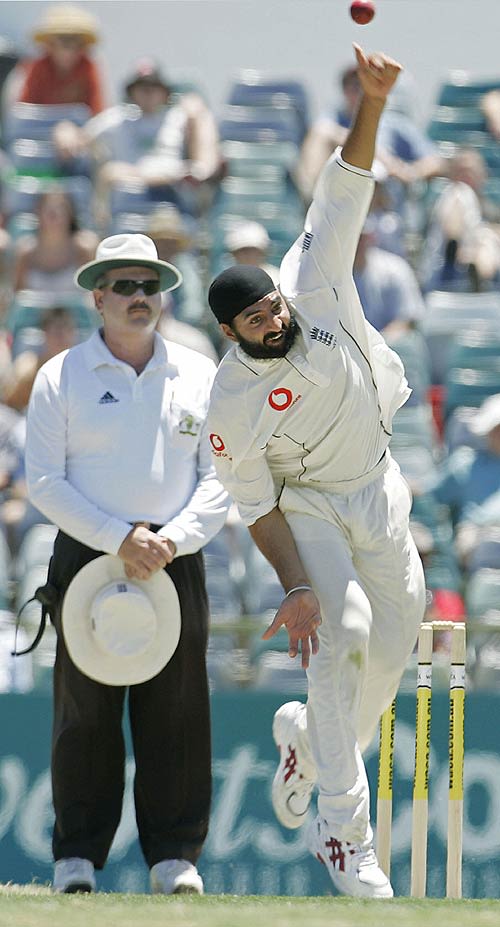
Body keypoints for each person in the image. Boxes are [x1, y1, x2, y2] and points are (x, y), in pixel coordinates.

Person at [206, 44, 426, 899]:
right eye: (256, 318)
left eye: (273, 304)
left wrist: (371, 100)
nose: (273, 317)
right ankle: (345, 834)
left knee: (393, 650)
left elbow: (346, 180)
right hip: (309, 512)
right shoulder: (234, 400)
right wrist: (294, 587)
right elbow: (253, 504)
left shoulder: (313, 280)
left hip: (379, 481)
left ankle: (306, 734)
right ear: (234, 333)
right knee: (346, 639)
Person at [24, 232, 229, 894]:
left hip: (175, 555)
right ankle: (76, 857)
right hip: (89, 553)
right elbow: (44, 483)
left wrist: (171, 540)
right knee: (85, 710)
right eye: (127, 286)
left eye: (152, 286)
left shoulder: (200, 372)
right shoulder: (60, 376)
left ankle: (176, 856)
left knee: (178, 710)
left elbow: (220, 478)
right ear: (98, 296)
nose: (142, 298)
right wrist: (120, 537)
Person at [86, 59, 221, 222]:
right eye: (142, 88)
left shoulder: (177, 117)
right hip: (127, 190)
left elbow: (204, 128)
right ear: (132, 93)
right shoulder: (116, 118)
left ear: (165, 93)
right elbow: (82, 137)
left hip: (173, 194)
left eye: (154, 87)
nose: (148, 93)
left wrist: (201, 169)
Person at [14, 4, 106, 164]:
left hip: (78, 143)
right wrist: (56, 129)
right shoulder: (36, 67)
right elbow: (23, 114)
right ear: (50, 44)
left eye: (75, 41)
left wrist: (75, 131)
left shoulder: (89, 68)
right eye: (63, 40)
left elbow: (97, 115)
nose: (69, 47)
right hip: (40, 142)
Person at [13, 189, 98, 295]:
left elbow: (93, 295)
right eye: (48, 209)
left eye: (61, 208)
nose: (54, 214)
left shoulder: (84, 249)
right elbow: (17, 298)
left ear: (70, 213)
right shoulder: (26, 252)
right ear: (38, 212)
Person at [224, 220, 280, 285]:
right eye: (243, 250)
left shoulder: (277, 278)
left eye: (253, 250)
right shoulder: (226, 281)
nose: (248, 255)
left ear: (263, 252)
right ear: (234, 253)